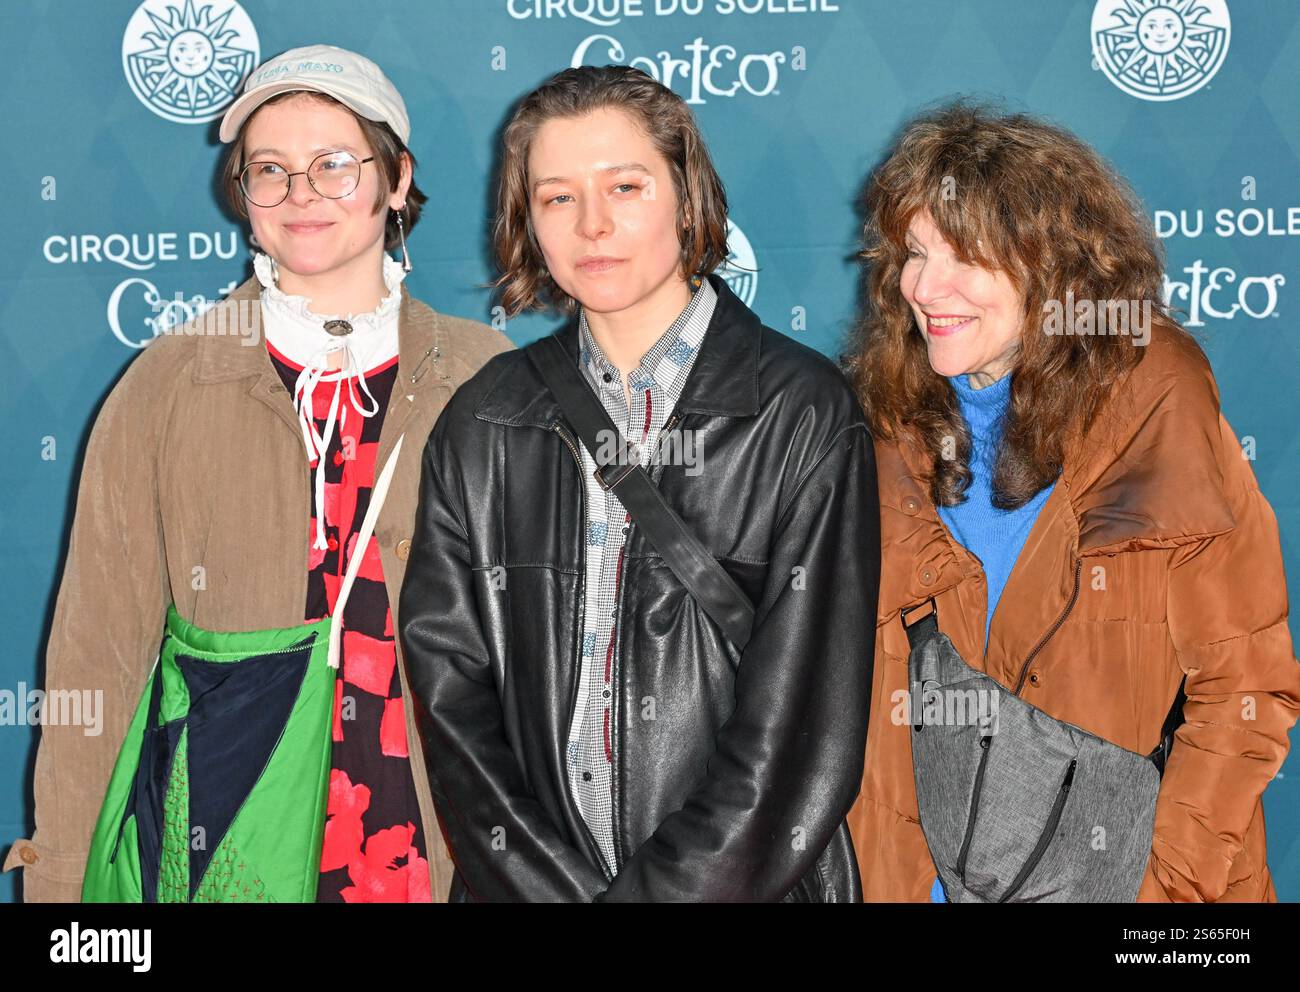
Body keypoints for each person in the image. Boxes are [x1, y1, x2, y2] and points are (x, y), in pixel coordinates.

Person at [4, 45, 512, 902]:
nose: (301, 194)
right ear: (243, 194)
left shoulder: (485, 375)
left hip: (439, 834)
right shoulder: (167, 381)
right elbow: (98, 654)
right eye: (269, 170)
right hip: (224, 839)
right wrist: (61, 893)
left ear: (396, 179)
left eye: (334, 165)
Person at [398, 65, 879, 901]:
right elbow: (451, 703)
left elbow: (800, 735)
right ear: (528, 223)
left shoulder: (800, 411)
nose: (594, 225)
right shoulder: (484, 421)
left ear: (687, 196)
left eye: (625, 185)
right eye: (557, 197)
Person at [844, 102, 1300, 902]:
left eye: (966, 258)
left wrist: (1157, 890)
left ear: (1054, 273)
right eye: (915, 253)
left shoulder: (1157, 403)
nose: (926, 287)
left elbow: (1245, 690)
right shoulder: (879, 421)